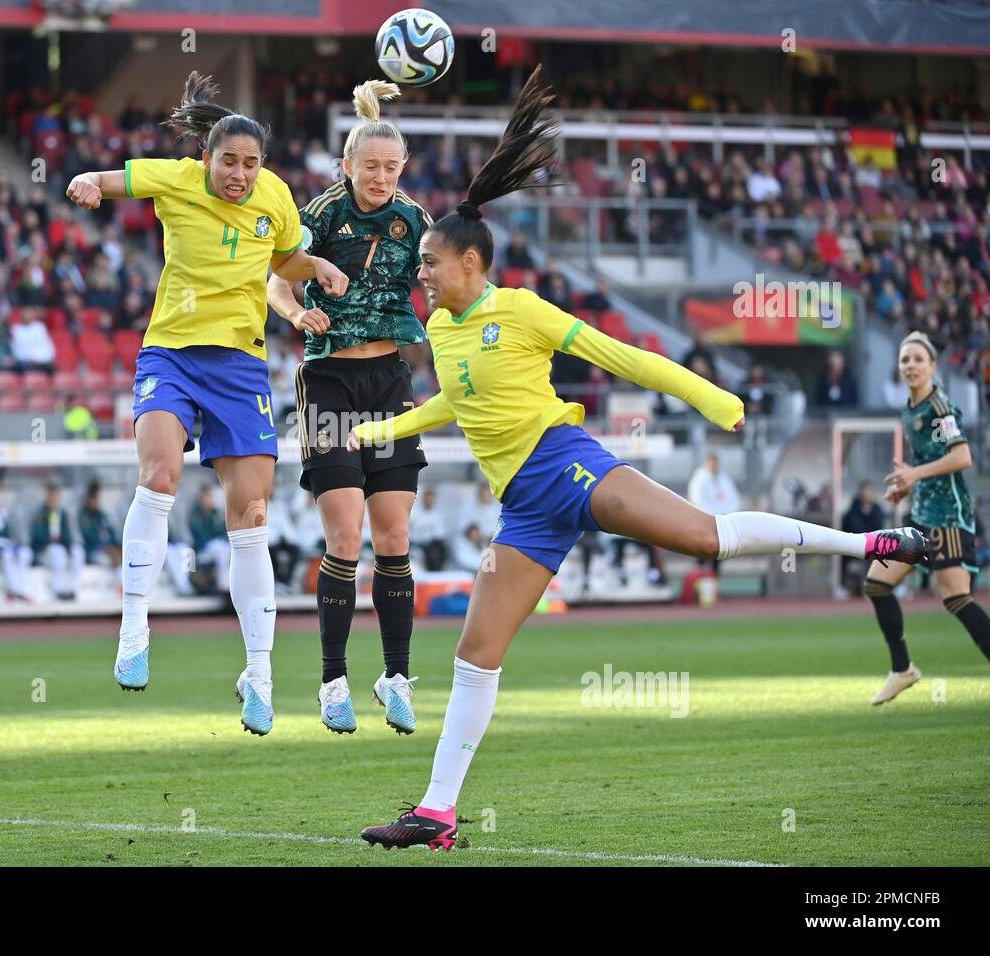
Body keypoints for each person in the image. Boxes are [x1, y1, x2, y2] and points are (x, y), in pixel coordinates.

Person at [346, 67, 930, 851]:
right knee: (475, 654)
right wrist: (388, 431)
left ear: (472, 265)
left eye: (431, 264)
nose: (422, 273)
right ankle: (438, 813)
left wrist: (709, 397)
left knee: (706, 540)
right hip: (523, 506)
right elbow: (463, 401)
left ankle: (869, 546)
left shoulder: (520, 309)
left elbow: (623, 357)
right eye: (421, 264)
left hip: (566, 464)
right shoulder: (445, 331)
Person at [65, 71, 347, 734]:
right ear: (206, 159)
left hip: (241, 366)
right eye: (229, 162)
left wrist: (319, 274)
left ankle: (260, 674)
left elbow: (286, 264)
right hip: (170, 354)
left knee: (250, 513)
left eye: (251, 164)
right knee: (159, 473)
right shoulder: (174, 178)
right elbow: (107, 181)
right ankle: (134, 626)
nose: (240, 175)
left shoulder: (276, 197)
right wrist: (84, 184)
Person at [265, 80, 432, 735]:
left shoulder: (414, 220)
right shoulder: (323, 214)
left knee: (394, 540)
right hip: (330, 383)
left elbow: (443, 279)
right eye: (371, 167)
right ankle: (332, 680)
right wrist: (296, 308)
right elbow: (277, 276)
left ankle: (395, 677)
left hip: (390, 386)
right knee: (346, 539)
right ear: (347, 166)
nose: (382, 178)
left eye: (392, 168)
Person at [864, 331, 990, 704]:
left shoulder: (939, 407)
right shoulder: (912, 408)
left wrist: (915, 475)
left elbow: (962, 457)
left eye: (918, 359)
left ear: (933, 366)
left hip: (947, 518)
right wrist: (908, 484)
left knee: (956, 598)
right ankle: (902, 669)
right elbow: (930, 461)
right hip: (922, 515)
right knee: (876, 582)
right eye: (905, 360)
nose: (911, 366)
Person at [30, 483, 86, 601]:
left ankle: (73, 589)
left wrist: (68, 546)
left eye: (56, 497)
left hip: (60, 549)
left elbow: (67, 535)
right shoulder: (40, 513)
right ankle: (57, 589)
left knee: (77, 550)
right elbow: (37, 536)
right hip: (44, 552)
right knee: (57, 551)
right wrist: (51, 541)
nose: (54, 499)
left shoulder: (62, 514)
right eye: (52, 496)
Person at [687, 452, 739, 574]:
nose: (714, 467)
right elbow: (698, 500)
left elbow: (732, 498)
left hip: (721, 525)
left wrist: (727, 514)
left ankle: (713, 582)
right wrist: (713, 515)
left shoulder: (723, 479)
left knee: (718, 555)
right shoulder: (699, 480)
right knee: (702, 554)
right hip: (706, 523)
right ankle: (698, 583)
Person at [842, 480, 885, 595]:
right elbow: (852, 525)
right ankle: (843, 587)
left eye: (869, 491)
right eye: (865, 491)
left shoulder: (877, 509)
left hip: (874, 546)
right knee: (843, 557)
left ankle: (880, 586)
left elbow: (879, 527)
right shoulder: (853, 508)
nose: (867, 493)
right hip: (855, 545)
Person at [79, 480, 123, 589]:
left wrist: (115, 546)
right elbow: (88, 537)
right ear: (89, 499)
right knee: (112, 558)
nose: (97, 501)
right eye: (94, 498)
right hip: (94, 551)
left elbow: (112, 534)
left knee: (121, 554)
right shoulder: (84, 516)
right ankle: (122, 585)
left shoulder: (102, 515)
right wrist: (104, 547)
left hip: (109, 550)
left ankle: (125, 583)